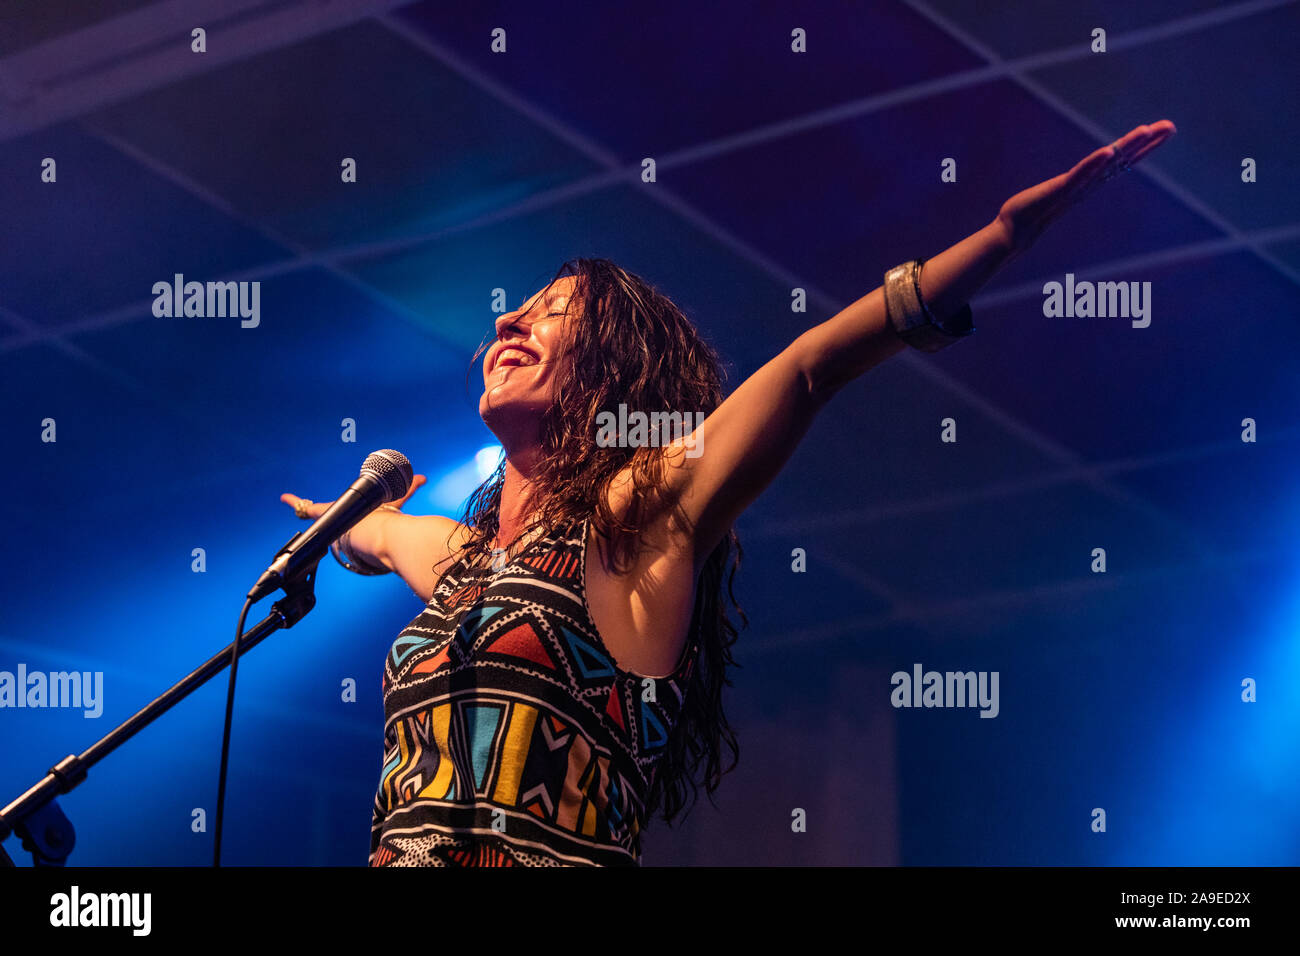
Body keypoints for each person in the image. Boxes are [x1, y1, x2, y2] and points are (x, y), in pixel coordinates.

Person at [283, 121, 1176, 866]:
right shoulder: (464, 561)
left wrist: (1001, 239)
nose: (509, 321)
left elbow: (811, 368)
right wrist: (332, 533)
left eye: (549, 311)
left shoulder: (637, 517)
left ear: (612, 374)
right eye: (509, 312)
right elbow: (382, 534)